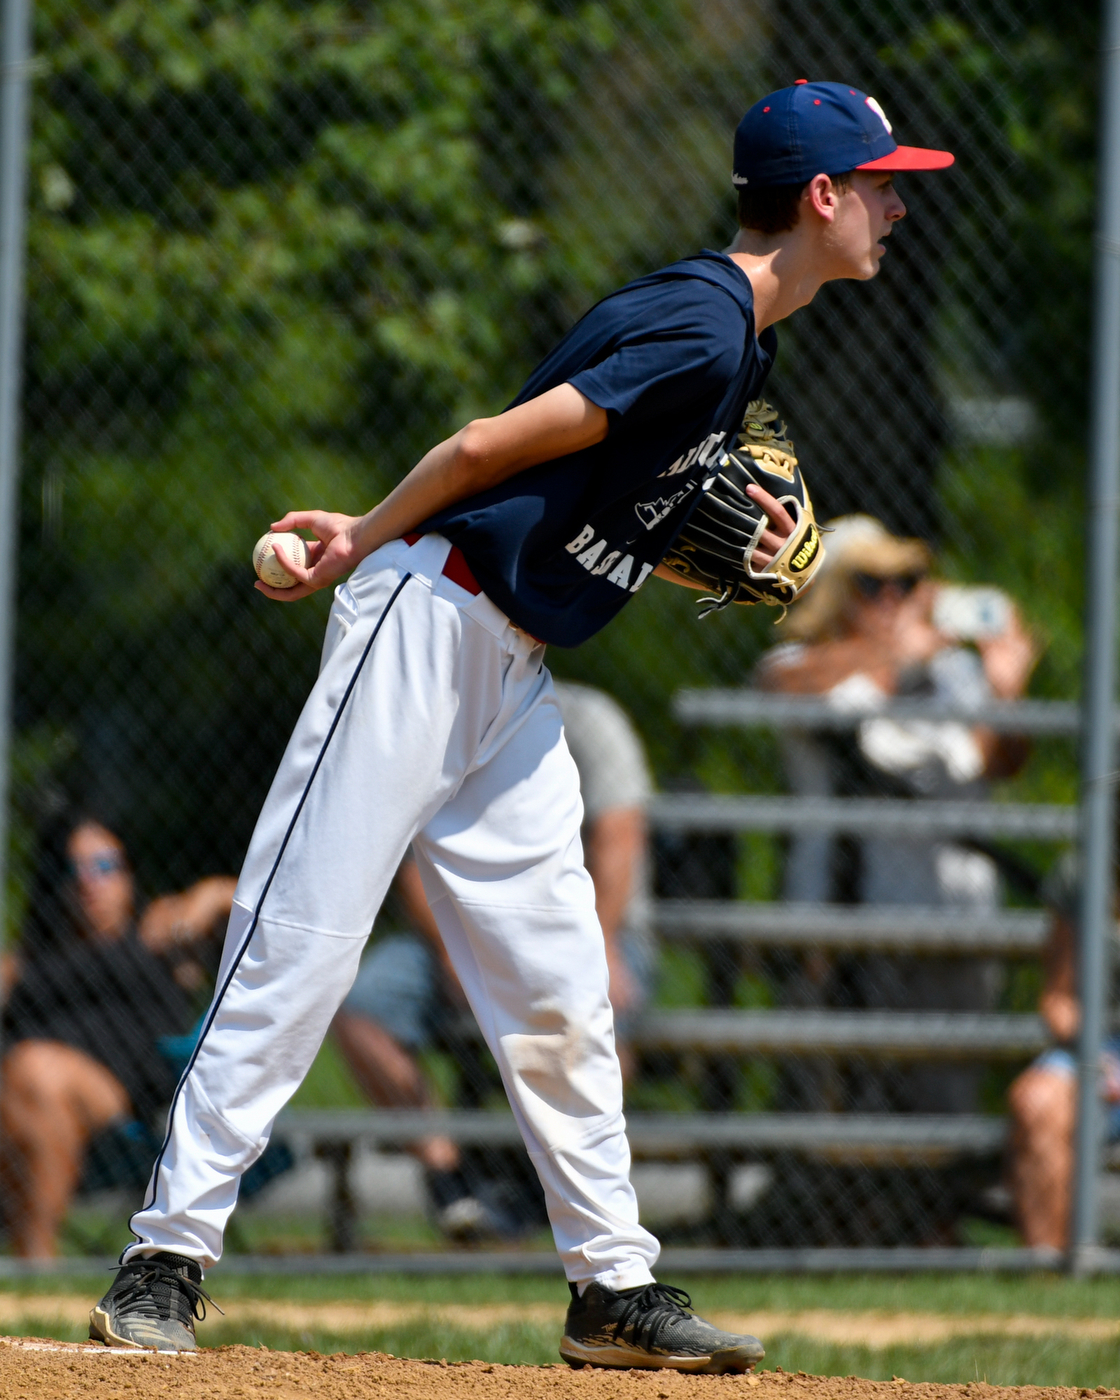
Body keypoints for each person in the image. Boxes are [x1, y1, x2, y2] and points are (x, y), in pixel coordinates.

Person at [91, 82, 953, 1366]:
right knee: (303, 937)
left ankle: (610, 1285)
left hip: (512, 664)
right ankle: (160, 1259)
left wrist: (681, 549)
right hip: (425, 620)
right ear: (819, 196)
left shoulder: (737, 344)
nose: (896, 201)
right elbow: (491, 442)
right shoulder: (703, 323)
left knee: (556, 982)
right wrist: (360, 538)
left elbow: (587, 493)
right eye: (881, 180)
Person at [332, 679, 654, 1240]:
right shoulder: (447, 717)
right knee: (360, 1004)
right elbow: (414, 861)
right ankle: (448, 1178)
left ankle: (557, 1193)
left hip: (586, 926)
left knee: (599, 1029)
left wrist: (600, 940)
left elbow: (619, 838)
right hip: (463, 928)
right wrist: (449, 946)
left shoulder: (589, 719)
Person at [758, 515, 1037, 1115]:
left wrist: (1008, 691)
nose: (893, 599)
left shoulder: (955, 672)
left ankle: (933, 1212)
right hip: (843, 926)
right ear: (834, 590)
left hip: (954, 921)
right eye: (871, 584)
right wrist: (889, 652)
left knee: (940, 1110)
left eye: (907, 582)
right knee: (837, 1111)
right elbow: (781, 688)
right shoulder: (806, 665)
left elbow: (995, 762)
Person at [0, 809, 234, 1259]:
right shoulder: (29, 958)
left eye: (106, 866)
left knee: (36, 1071)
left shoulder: (154, 929)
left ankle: (34, 1262)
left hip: (125, 1100)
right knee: (29, 1075)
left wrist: (199, 904)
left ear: (129, 872)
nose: (92, 881)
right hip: (22, 1095)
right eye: (76, 868)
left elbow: (240, 897)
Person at [1007, 856, 1119, 1251]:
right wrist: (1094, 1057)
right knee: (1035, 1103)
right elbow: (1059, 1000)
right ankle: (1050, 1285)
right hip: (1101, 1046)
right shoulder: (1082, 871)